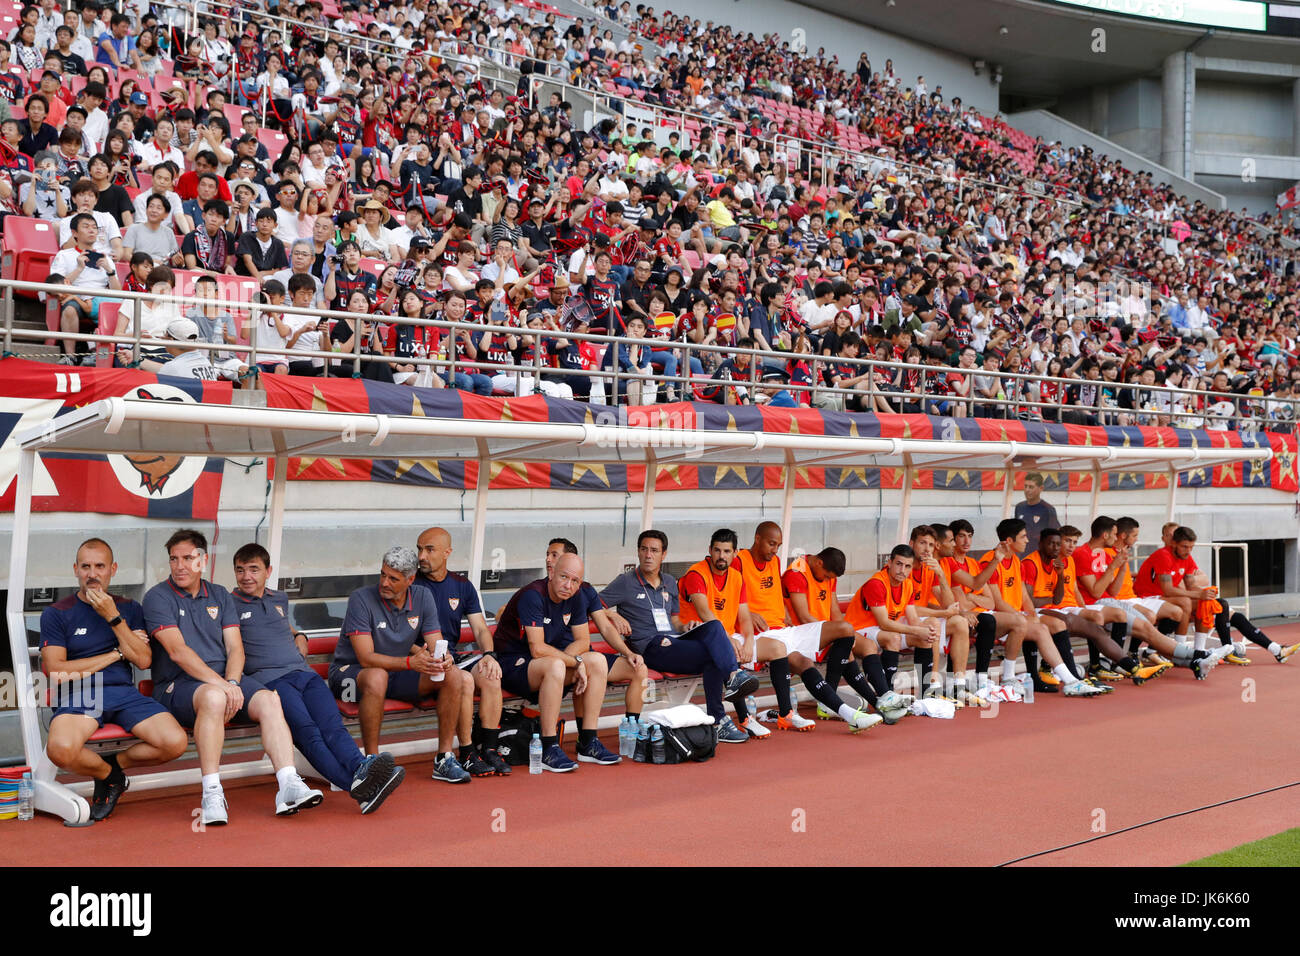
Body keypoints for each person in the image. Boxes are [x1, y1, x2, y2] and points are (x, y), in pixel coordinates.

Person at [142, 529, 323, 825]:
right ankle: (212, 792)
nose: (180, 566)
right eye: (174, 559)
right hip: (178, 685)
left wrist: (235, 683)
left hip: (224, 682)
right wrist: (224, 685)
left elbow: (235, 647)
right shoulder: (157, 597)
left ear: (203, 560)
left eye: (188, 558)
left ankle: (288, 784)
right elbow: (177, 652)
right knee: (214, 697)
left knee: (269, 699)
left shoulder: (219, 594)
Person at [231, 543, 406, 814]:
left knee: (333, 728)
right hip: (273, 682)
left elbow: (284, 627)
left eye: (254, 569)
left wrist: (300, 636)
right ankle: (358, 787)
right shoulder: (228, 604)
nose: (246, 577)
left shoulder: (279, 598)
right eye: (240, 570)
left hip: (306, 676)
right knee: (309, 734)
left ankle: (362, 771)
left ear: (268, 571)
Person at [40, 538, 188, 821]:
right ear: (76, 570)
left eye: (99, 566)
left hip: (123, 692)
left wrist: (113, 616)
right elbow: (57, 671)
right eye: (85, 566)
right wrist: (117, 654)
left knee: (175, 742)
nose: (92, 573)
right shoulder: (57, 613)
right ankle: (109, 777)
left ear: (112, 569)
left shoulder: (129, 608)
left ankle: (110, 767)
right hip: (81, 693)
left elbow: (143, 659)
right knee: (59, 750)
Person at [680, 527, 879, 734]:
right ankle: (839, 713)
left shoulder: (755, 569)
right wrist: (740, 635)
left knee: (845, 629)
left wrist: (777, 621)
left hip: (779, 631)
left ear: (733, 552)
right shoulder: (710, 570)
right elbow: (708, 615)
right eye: (718, 550)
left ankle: (854, 706)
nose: (775, 550)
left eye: (727, 551)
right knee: (786, 654)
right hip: (743, 636)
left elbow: (753, 607)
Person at [598, 529, 757, 744]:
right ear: (638, 552)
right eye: (644, 549)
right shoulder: (626, 582)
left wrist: (686, 626)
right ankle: (722, 709)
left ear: (663, 555)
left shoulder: (670, 582)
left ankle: (727, 693)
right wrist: (612, 615)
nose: (648, 555)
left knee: (713, 626)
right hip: (650, 647)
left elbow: (674, 621)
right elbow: (594, 603)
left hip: (674, 641)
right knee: (713, 654)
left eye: (654, 550)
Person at [328, 546, 470, 784]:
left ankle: (444, 759)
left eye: (393, 578)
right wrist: (409, 662)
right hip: (349, 676)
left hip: (396, 672)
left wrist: (442, 659)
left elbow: (435, 642)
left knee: (453, 676)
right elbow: (366, 658)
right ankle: (371, 763)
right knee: (376, 676)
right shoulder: (361, 599)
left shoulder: (423, 597)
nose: (385, 582)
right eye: (383, 574)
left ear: (410, 579)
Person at [492, 551, 622, 772]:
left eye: (575, 581)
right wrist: (575, 662)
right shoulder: (533, 595)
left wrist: (577, 661)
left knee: (597, 661)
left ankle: (588, 741)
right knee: (556, 664)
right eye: (564, 577)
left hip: (545, 664)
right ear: (551, 573)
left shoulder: (577, 596)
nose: (568, 585)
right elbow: (538, 648)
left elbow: (582, 640)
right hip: (511, 663)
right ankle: (548, 746)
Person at [411, 527, 512, 776]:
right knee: (465, 679)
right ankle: (466, 752)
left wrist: (489, 654)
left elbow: (479, 628)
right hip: (423, 662)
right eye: (419, 549)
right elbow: (399, 634)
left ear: (447, 552)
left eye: (429, 549)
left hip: (452, 658)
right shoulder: (410, 584)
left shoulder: (462, 585)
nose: (422, 556)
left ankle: (488, 749)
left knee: (491, 674)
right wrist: (425, 655)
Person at [1013, 472, 1059, 552]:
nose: (1027, 490)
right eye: (1025, 486)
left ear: (1041, 488)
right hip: (1022, 555)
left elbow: (1056, 536)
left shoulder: (1048, 509)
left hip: (1039, 556)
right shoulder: (1019, 507)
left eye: (1031, 487)